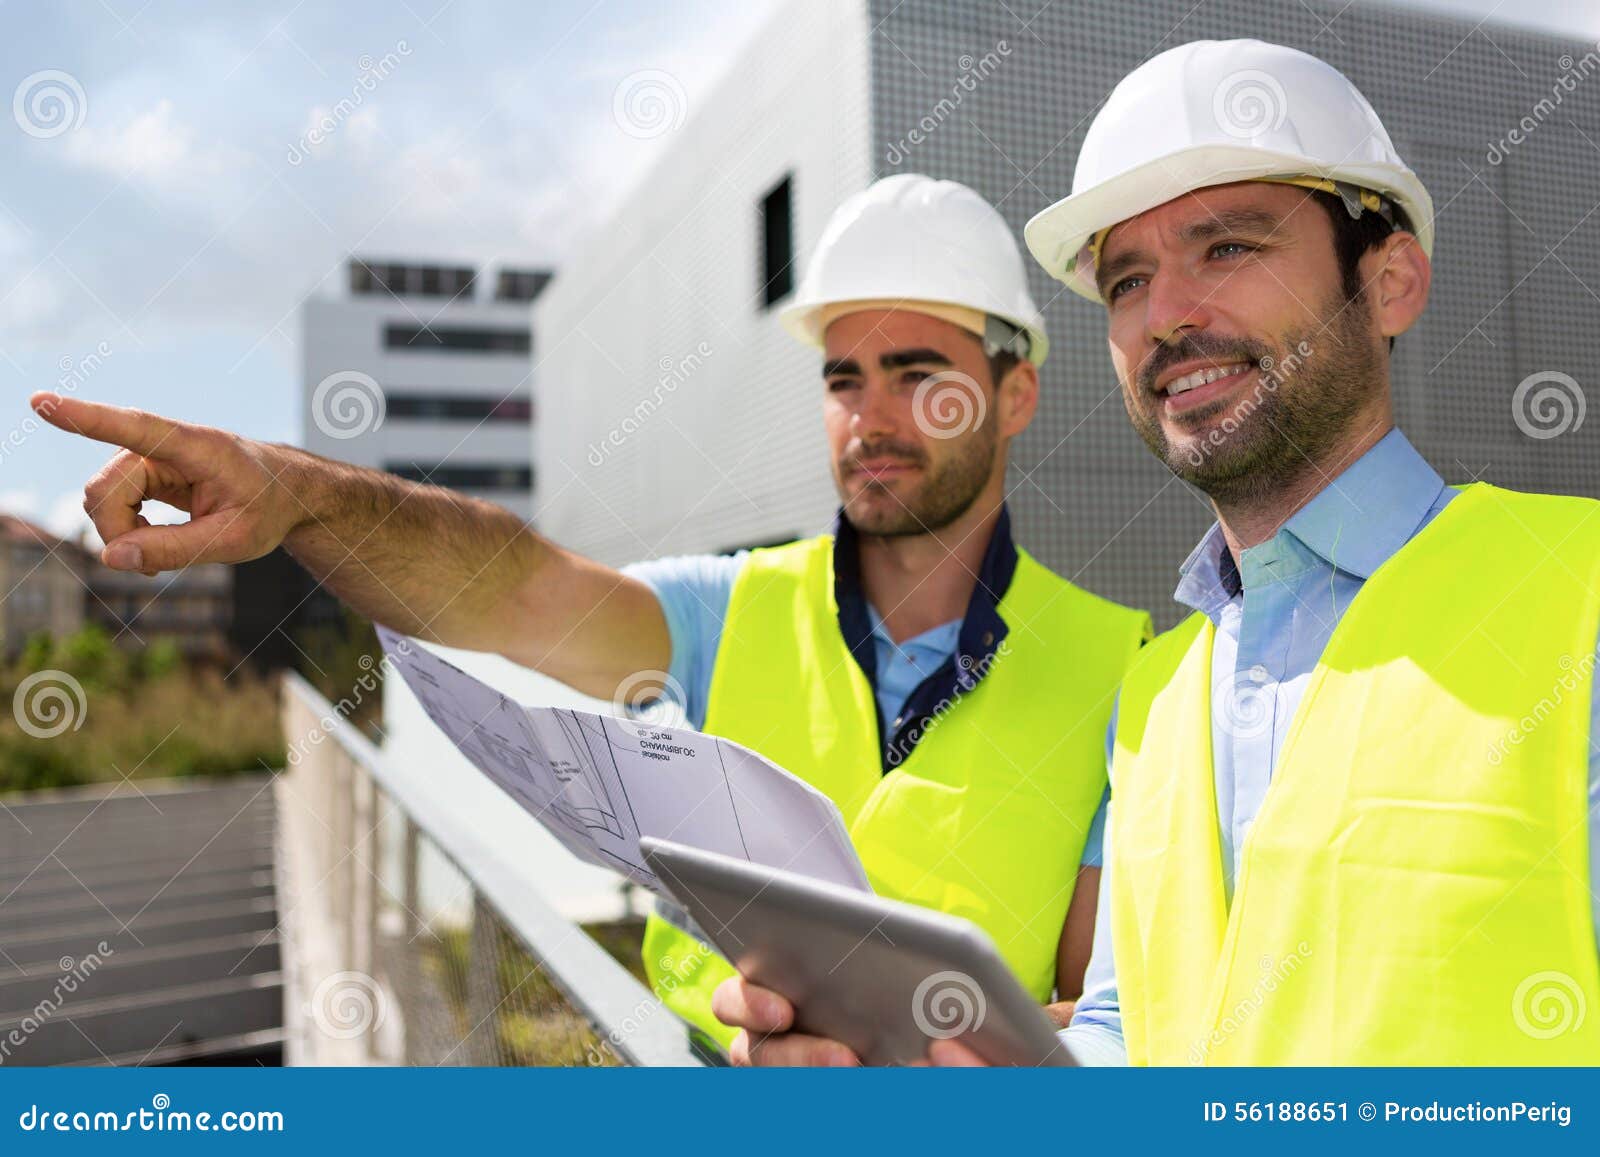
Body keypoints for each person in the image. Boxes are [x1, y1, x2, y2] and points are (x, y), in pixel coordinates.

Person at [32, 173, 1150, 1055]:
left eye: (918, 373)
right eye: (843, 377)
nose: (869, 416)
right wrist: (301, 494)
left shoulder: (1126, 668)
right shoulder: (733, 608)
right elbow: (516, 584)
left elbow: (1090, 1003)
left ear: (1013, 393)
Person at [717, 39, 1600, 1066]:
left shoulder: (1577, 592)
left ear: (1390, 281)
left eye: (1226, 247)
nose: (1166, 316)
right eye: (1125, 280)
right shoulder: (1156, 698)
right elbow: (1133, 1034)